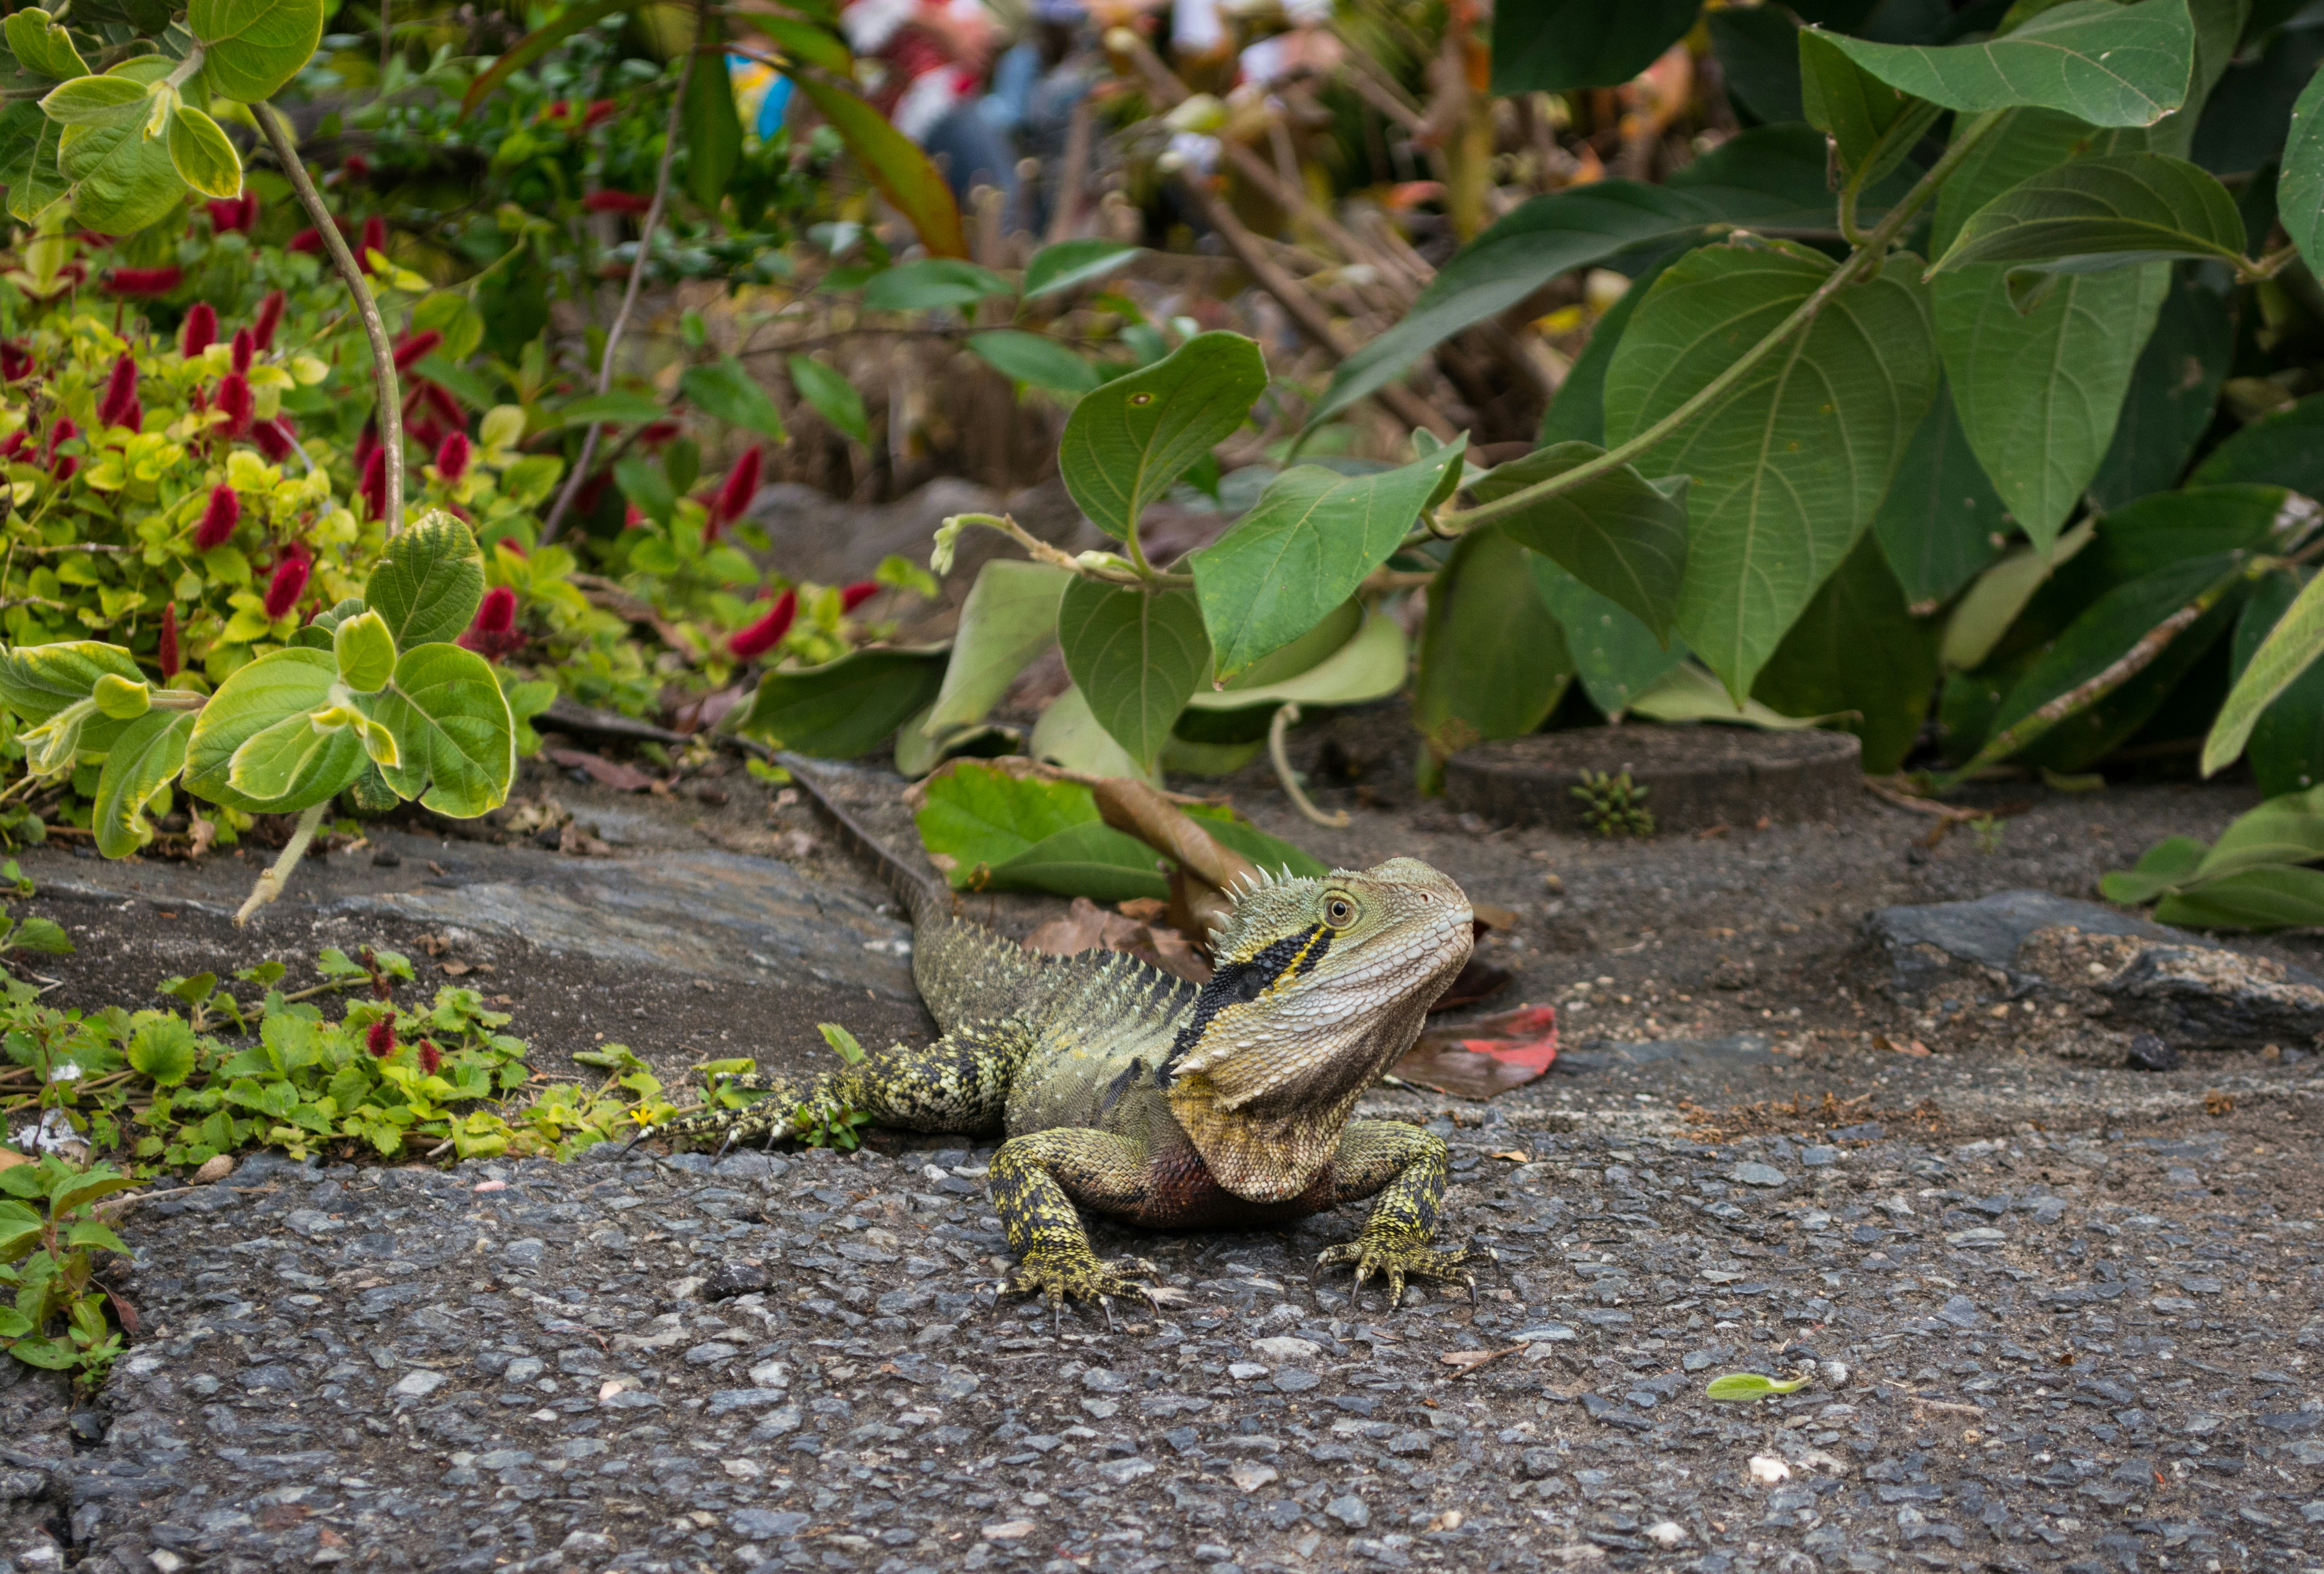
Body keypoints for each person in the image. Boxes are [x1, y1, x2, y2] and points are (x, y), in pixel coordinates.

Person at [842, 0, 1019, 213]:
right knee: (1000, 198)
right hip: (927, 109)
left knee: (994, 200)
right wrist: (939, 27)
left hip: (962, 100)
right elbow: (865, 30)